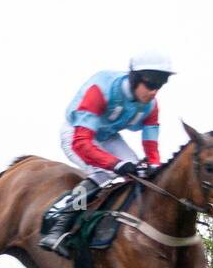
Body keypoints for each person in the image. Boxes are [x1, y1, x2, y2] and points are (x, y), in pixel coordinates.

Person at [39, 50, 174, 254]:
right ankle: (59, 225)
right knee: (102, 174)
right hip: (77, 133)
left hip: (107, 135)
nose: (155, 91)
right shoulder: (101, 90)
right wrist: (115, 164)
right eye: (151, 83)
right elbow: (82, 142)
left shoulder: (151, 106)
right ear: (135, 78)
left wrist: (154, 167)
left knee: (138, 174)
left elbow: (151, 145)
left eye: (161, 84)